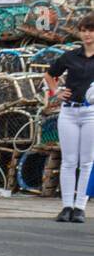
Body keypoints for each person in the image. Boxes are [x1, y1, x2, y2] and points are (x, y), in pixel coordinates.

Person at [43, 13, 94, 223]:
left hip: (91, 111)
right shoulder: (71, 56)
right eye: (84, 30)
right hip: (69, 111)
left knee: (87, 161)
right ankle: (66, 206)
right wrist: (56, 92)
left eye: (91, 30)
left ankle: (80, 206)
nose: (88, 34)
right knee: (69, 160)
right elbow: (49, 74)